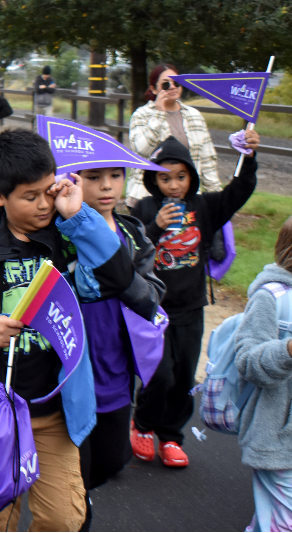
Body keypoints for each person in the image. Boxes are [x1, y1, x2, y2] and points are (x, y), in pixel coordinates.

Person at [0, 129, 135, 531]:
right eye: (29, 197)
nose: (43, 206)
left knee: (64, 518)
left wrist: (80, 216)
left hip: (55, 413)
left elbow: (119, 276)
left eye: (48, 192)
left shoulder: (69, 238)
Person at [129, 131, 260, 468]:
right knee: (160, 375)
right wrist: (155, 226)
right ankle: (142, 424)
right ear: (153, 179)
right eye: (165, 178)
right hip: (153, 309)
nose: (174, 185)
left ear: (191, 176)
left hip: (190, 308)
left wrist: (249, 158)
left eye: (181, 177)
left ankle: (170, 436)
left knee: (185, 376)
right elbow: (130, 248)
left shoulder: (204, 207)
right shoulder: (144, 208)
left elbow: (238, 192)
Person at [73, 166, 165, 497]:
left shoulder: (133, 233)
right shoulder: (60, 233)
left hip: (116, 367)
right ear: (74, 180)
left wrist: (121, 276)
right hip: (72, 371)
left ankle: (79, 503)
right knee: (74, 474)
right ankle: (74, 511)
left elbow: (152, 296)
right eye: (94, 178)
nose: (107, 186)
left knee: (110, 460)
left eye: (115, 176)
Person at [235, 217, 292, 532]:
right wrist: (287, 350)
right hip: (277, 435)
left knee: (273, 522)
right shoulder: (272, 298)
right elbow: (247, 361)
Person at [126, 63, 222, 207]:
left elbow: (207, 159)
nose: (172, 87)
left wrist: (215, 194)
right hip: (147, 199)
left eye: (176, 83)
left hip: (187, 197)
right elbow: (141, 149)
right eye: (165, 84)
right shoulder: (141, 115)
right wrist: (158, 113)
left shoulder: (194, 115)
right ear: (153, 88)